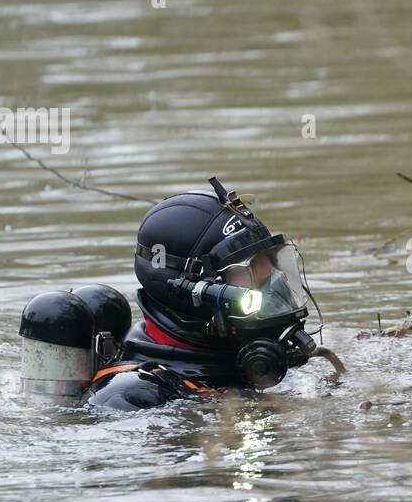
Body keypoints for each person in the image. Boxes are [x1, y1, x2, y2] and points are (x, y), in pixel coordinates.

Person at [83, 176, 336, 410]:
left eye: (269, 258)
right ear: (192, 291)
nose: (270, 271)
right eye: (250, 265)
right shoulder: (135, 397)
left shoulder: (253, 357)